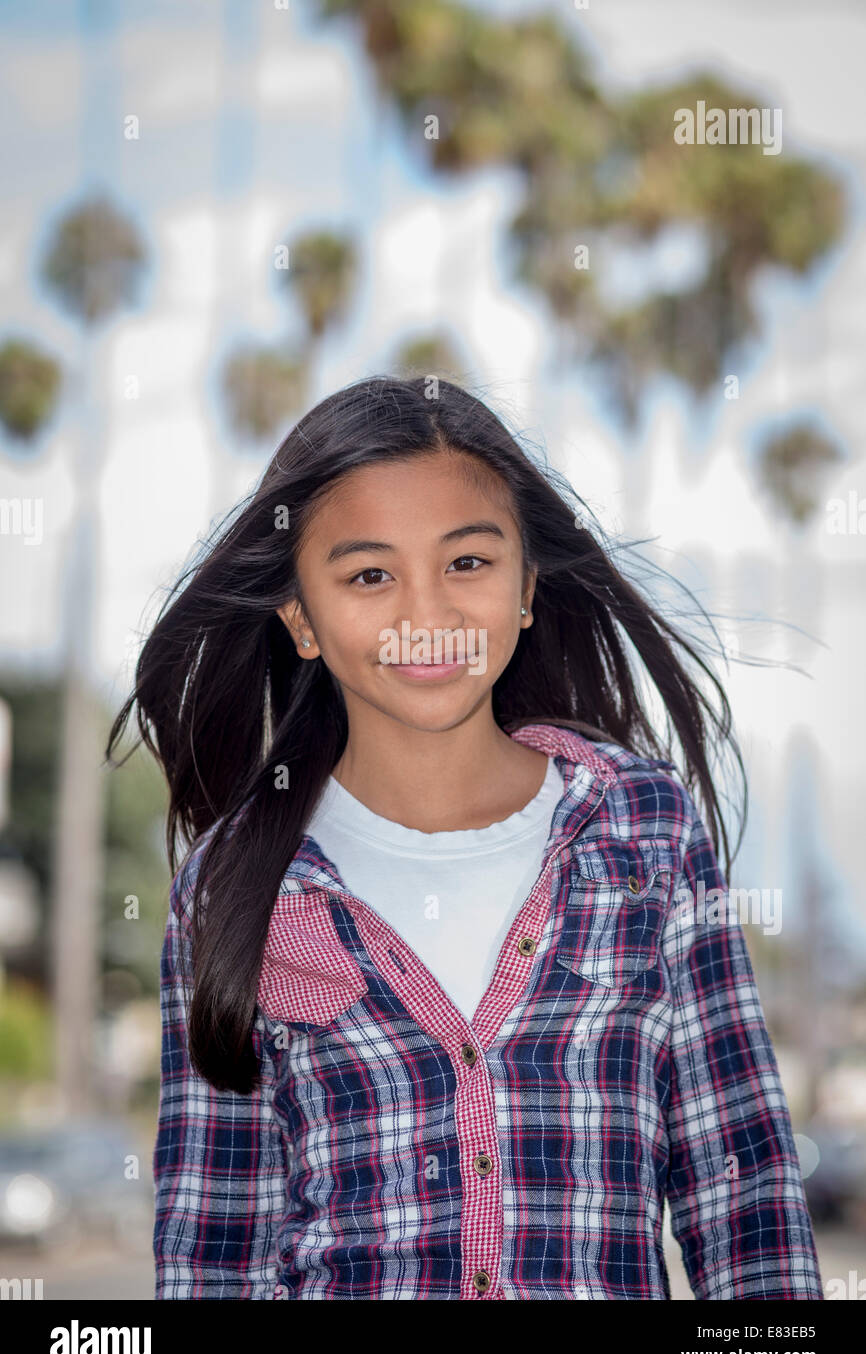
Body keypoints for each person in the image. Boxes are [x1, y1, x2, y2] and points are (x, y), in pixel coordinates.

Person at [108, 374, 823, 1300]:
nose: (425, 616)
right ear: (302, 618)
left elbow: (745, 1191)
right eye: (369, 575)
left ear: (526, 587)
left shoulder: (644, 831)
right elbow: (216, 1246)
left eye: (467, 563)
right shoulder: (235, 884)